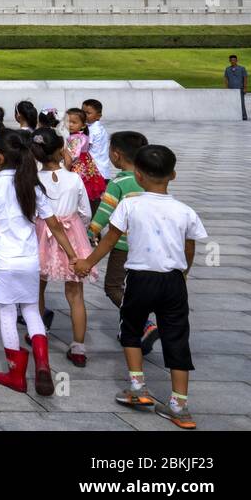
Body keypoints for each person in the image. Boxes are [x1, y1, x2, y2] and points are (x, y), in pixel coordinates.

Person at [75, 145, 207, 429]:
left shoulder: (129, 205)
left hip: (139, 278)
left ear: (138, 174)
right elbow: (190, 247)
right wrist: (184, 274)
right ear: (173, 174)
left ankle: (138, 388)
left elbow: (110, 240)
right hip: (173, 281)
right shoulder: (185, 211)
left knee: (131, 328)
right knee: (177, 336)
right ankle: (179, 406)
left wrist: (87, 262)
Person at [0, 129, 76, 396]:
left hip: (4, 262)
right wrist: (72, 254)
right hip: (29, 260)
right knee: (31, 311)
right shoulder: (32, 186)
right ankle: (42, 363)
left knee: (7, 313)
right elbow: (54, 224)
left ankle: (15, 373)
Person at [30, 127, 95, 367]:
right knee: (76, 294)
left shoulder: (34, 179)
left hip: (42, 234)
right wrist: (76, 225)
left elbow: (31, 212)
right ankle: (78, 346)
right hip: (73, 235)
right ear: (60, 150)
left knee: (37, 287)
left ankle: (37, 332)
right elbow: (85, 212)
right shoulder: (74, 178)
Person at [89, 130, 158, 352]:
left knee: (113, 286)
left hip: (123, 245)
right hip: (147, 245)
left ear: (116, 155)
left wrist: (91, 231)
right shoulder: (149, 180)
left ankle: (144, 323)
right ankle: (132, 329)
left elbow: (104, 211)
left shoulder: (118, 183)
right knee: (135, 288)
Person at [63, 108, 107, 207]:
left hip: (78, 164)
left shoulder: (75, 138)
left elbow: (72, 156)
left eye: (74, 122)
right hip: (86, 162)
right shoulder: (81, 135)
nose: (70, 125)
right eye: (68, 122)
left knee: (80, 184)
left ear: (83, 125)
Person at [82, 99, 113, 181]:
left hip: (96, 172)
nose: (84, 115)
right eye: (82, 112)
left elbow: (82, 147)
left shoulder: (93, 130)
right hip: (103, 170)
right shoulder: (99, 128)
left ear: (98, 116)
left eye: (88, 113)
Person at [224, 54, 248, 120]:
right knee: (231, 103)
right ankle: (232, 115)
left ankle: (244, 116)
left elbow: (245, 78)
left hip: (240, 88)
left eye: (234, 60)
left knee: (241, 103)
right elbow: (226, 78)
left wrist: (245, 87)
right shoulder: (227, 69)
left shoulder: (242, 68)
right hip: (231, 89)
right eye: (231, 60)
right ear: (229, 61)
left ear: (237, 60)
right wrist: (226, 88)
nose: (233, 61)